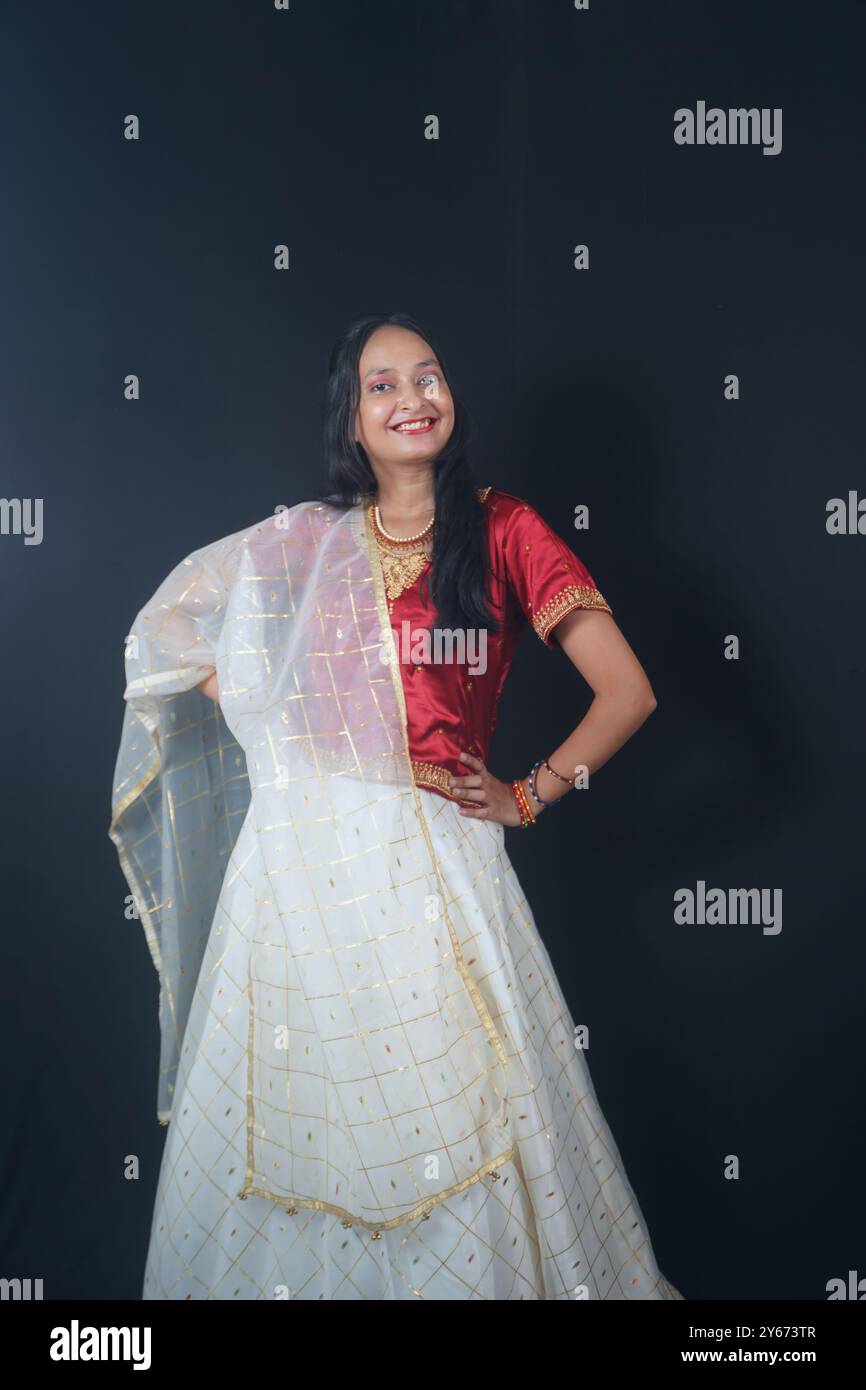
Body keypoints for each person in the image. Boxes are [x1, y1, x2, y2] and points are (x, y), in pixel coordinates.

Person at [109, 312, 684, 1300]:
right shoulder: (304, 546)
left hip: (434, 872)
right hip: (295, 882)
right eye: (381, 385)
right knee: (296, 1132)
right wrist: (273, 719)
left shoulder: (504, 529)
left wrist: (527, 794)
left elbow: (626, 691)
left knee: (454, 1132)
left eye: (427, 377)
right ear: (352, 419)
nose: (411, 397)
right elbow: (167, 635)